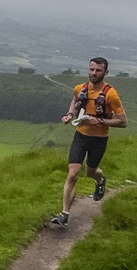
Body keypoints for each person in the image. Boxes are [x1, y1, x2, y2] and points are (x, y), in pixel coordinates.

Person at [53, 57, 125, 226]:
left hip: (99, 139)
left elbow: (123, 122)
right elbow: (75, 100)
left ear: (106, 72)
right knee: (73, 173)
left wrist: (100, 121)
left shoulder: (111, 94)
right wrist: (70, 115)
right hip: (80, 136)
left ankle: (100, 181)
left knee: (91, 172)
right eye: (91, 69)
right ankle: (64, 214)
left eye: (98, 70)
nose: (94, 73)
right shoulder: (80, 88)